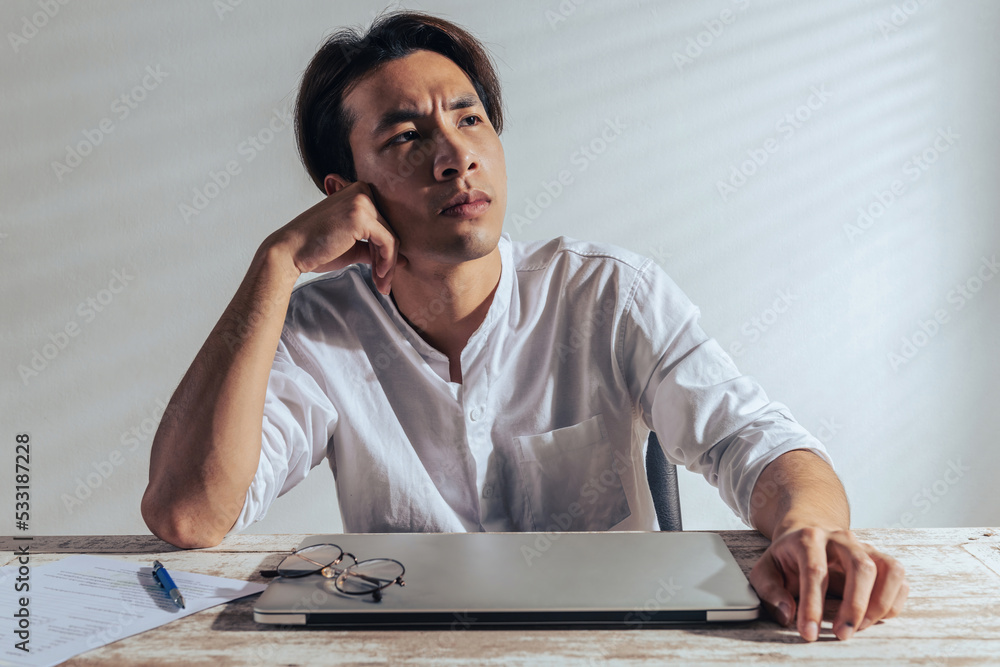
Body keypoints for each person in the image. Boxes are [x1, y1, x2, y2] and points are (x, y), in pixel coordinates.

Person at [141, 10, 907, 642]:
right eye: (406, 136)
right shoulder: (321, 326)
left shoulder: (610, 293)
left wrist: (808, 526)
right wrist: (274, 262)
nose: (454, 156)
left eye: (469, 120)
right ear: (347, 194)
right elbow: (188, 512)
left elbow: (758, 442)